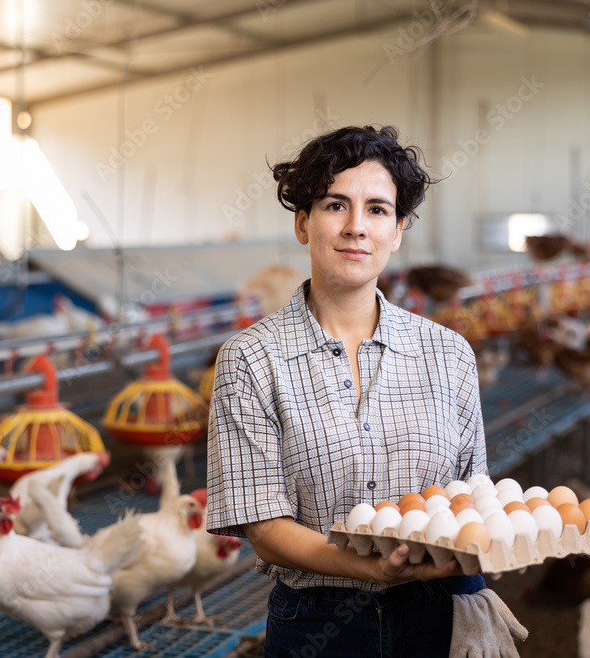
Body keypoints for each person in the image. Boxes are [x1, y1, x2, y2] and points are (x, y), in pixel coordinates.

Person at [206, 125, 525, 657]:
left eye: (377, 210)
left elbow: (470, 496)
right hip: (320, 624)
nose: (356, 227)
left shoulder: (448, 353)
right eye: (336, 205)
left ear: (396, 231)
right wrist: (368, 568)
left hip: (442, 609)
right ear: (302, 222)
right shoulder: (251, 359)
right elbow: (264, 525)